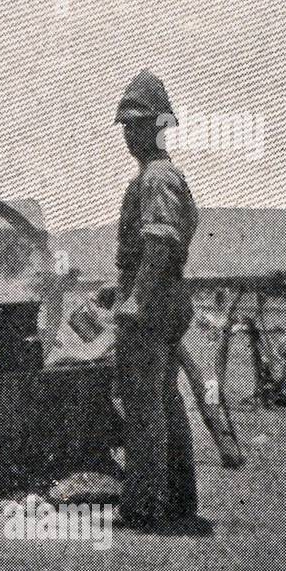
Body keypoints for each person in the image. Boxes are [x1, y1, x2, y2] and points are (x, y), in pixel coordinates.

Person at [112, 69, 200, 528]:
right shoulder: (156, 174)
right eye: (126, 126)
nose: (130, 135)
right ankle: (180, 500)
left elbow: (161, 242)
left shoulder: (157, 177)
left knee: (143, 402)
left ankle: (145, 505)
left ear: (157, 127)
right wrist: (121, 287)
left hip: (156, 300)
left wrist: (136, 299)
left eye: (138, 126)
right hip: (160, 295)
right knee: (164, 398)